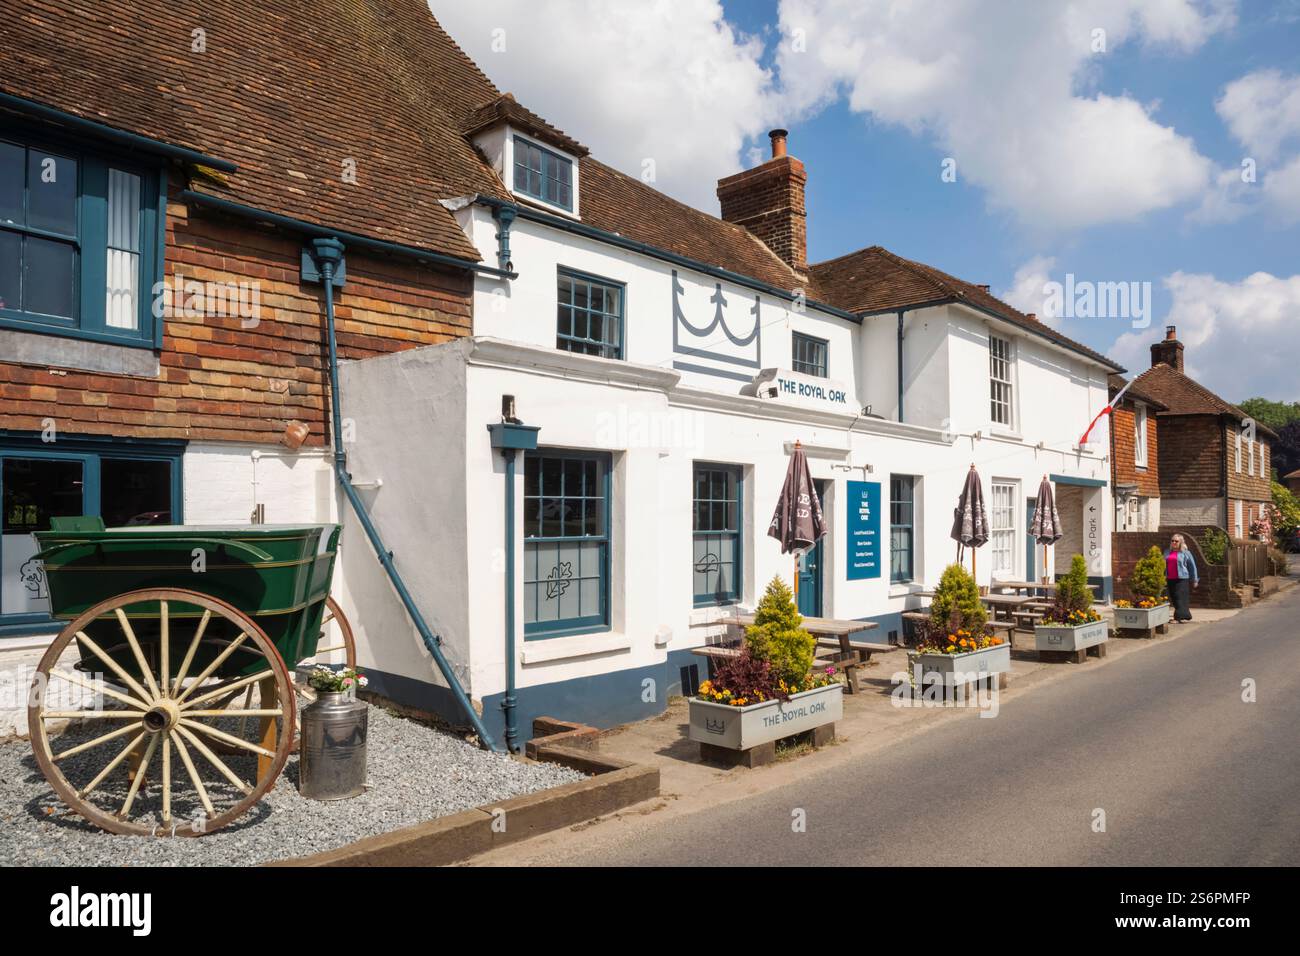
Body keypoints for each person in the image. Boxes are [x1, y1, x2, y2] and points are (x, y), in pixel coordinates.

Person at [1165, 533, 1199, 623]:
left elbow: (1192, 566)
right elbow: (1162, 564)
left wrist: (1195, 579)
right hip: (1170, 578)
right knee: (1174, 597)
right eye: (1172, 540)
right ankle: (1182, 616)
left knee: (1180, 597)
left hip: (1182, 578)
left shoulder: (1185, 553)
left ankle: (1179, 617)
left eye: (1176, 541)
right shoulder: (1167, 552)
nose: (1174, 542)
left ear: (1180, 542)